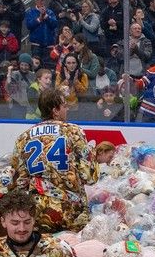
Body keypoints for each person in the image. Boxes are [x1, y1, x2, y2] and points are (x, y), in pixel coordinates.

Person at [10, 88, 95, 233]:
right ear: (55, 110)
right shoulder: (74, 132)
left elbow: (19, 182)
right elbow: (90, 177)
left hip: (35, 213)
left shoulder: (23, 137)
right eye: (64, 106)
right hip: (70, 211)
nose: (67, 109)